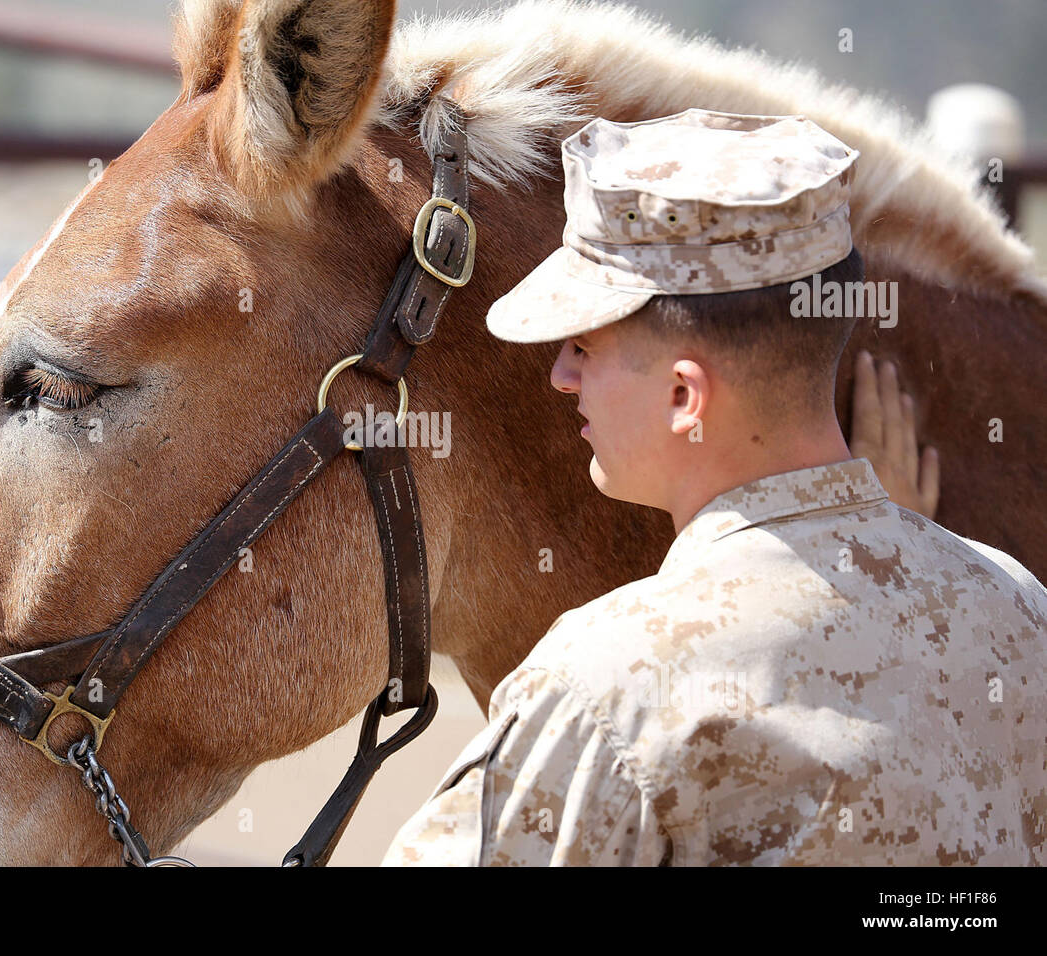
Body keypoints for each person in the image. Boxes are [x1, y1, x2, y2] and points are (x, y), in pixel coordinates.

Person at [382, 109, 1047, 866]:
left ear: (683, 398)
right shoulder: (1020, 612)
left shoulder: (609, 689)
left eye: (582, 345)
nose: (562, 376)